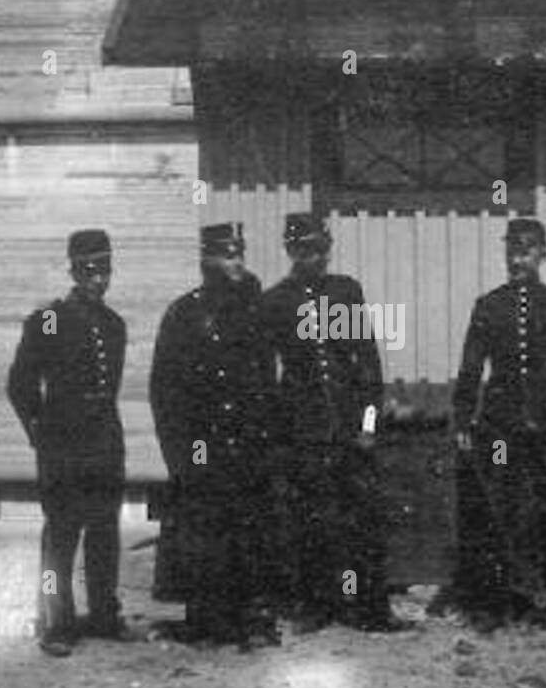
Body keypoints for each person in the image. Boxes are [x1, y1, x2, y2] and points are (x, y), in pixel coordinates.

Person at [260, 212, 404, 632]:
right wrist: (279, 431)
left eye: (321, 248)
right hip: (303, 431)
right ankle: (316, 607)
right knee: (311, 521)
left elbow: (369, 364)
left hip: (350, 428)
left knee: (362, 520)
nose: (316, 257)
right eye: (306, 249)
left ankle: (370, 608)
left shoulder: (345, 293)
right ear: (290, 251)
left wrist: (369, 426)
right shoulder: (276, 302)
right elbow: (268, 372)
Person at [452, 217, 546, 631]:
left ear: (542, 254)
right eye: (512, 250)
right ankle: (499, 605)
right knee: (501, 515)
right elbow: (471, 369)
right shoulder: (489, 305)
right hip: (500, 429)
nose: (518, 259)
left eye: (527, 251)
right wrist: (462, 420)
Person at [149, 223, 279, 648]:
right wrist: (178, 453)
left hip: (246, 438)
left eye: (239, 253)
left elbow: (266, 375)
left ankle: (251, 618)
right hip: (202, 442)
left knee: (249, 528)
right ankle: (206, 618)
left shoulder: (253, 310)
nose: (237, 262)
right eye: (228, 255)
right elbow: (164, 391)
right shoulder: (183, 314)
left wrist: (264, 433)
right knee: (204, 528)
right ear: (206, 260)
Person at [7, 229, 129, 657]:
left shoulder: (115, 326)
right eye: (91, 271)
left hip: (105, 448)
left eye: (106, 270)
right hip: (63, 448)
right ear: (75, 271)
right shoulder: (50, 320)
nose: (100, 280)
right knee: (60, 537)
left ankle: (103, 614)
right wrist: (40, 435)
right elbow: (19, 385)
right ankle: (56, 621)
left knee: (104, 532)